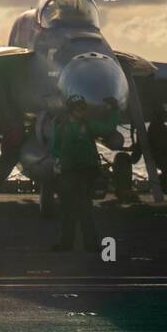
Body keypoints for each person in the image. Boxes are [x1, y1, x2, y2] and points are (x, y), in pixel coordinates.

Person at [51, 95, 121, 251]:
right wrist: (62, 160)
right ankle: (67, 244)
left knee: (85, 210)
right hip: (69, 173)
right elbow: (54, 148)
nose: (82, 111)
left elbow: (108, 128)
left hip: (85, 173)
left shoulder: (89, 125)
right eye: (79, 108)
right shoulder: (61, 128)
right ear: (71, 110)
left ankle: (88, 244)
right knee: (69, 211)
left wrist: (114, 110)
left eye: (83, 108)